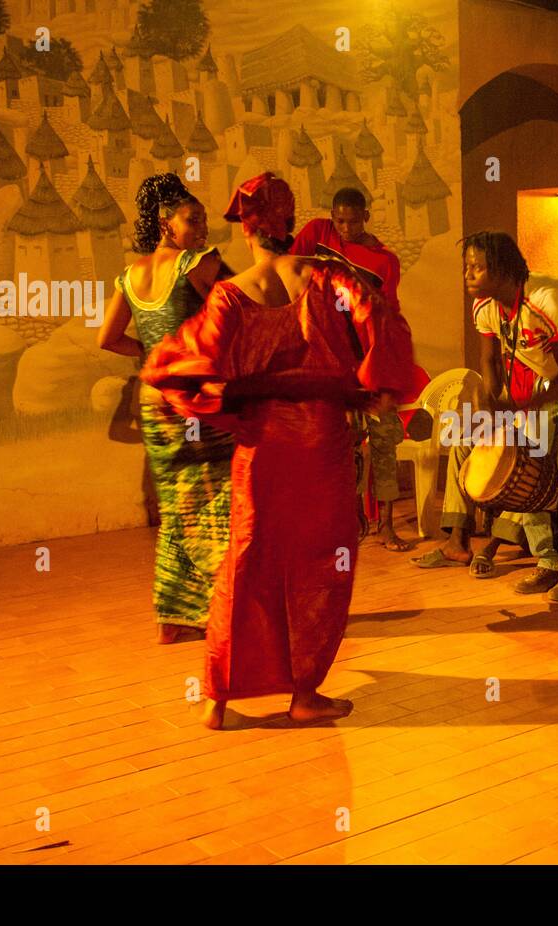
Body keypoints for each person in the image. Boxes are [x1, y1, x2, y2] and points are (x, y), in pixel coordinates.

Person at [142, 173, 415, 728]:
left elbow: (179, 364)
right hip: (319, 447)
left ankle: (220, 698)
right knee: (319, 568)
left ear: (246, 229)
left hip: (261, 450)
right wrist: (374, 389)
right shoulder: (329, 278)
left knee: (248, 564)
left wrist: (229, 403)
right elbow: (380, 319)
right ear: (292, 223)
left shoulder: (227, 295)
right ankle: (304, 693)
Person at [412, 232, 558, 602]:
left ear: (504, 269)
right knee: (530, 454)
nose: (469, 275)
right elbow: (489, 361)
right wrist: (490, 404)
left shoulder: (549, 298)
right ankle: (548, 560)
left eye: (477, 267)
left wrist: (519, 406)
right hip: (549, 378)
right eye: (467, 267)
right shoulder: (486, 307)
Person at [97, 172, 233, 645]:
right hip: (193, 400)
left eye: (203, 221)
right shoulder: (200, 263)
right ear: (165, 223)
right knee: (224, 502)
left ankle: (172, 619)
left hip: (153, 403)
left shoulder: (130, 274)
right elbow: (253, 295)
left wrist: (150, 354)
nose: (201, 228)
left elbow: (107, 337)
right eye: (192, 220)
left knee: (178, 509)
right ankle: (228, 610)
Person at [290, 187, 425, 552]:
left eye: (352, 220)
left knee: (384, 442)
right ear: (331, 216)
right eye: (339, 219)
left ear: (366, 215)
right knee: (335, 444)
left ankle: (386, 526)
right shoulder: (318, 234)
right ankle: (342, 524)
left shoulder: (384, 261)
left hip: (369, 362)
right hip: (326, 362)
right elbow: (287, 274)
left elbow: (388, 314)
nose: (345, 228)